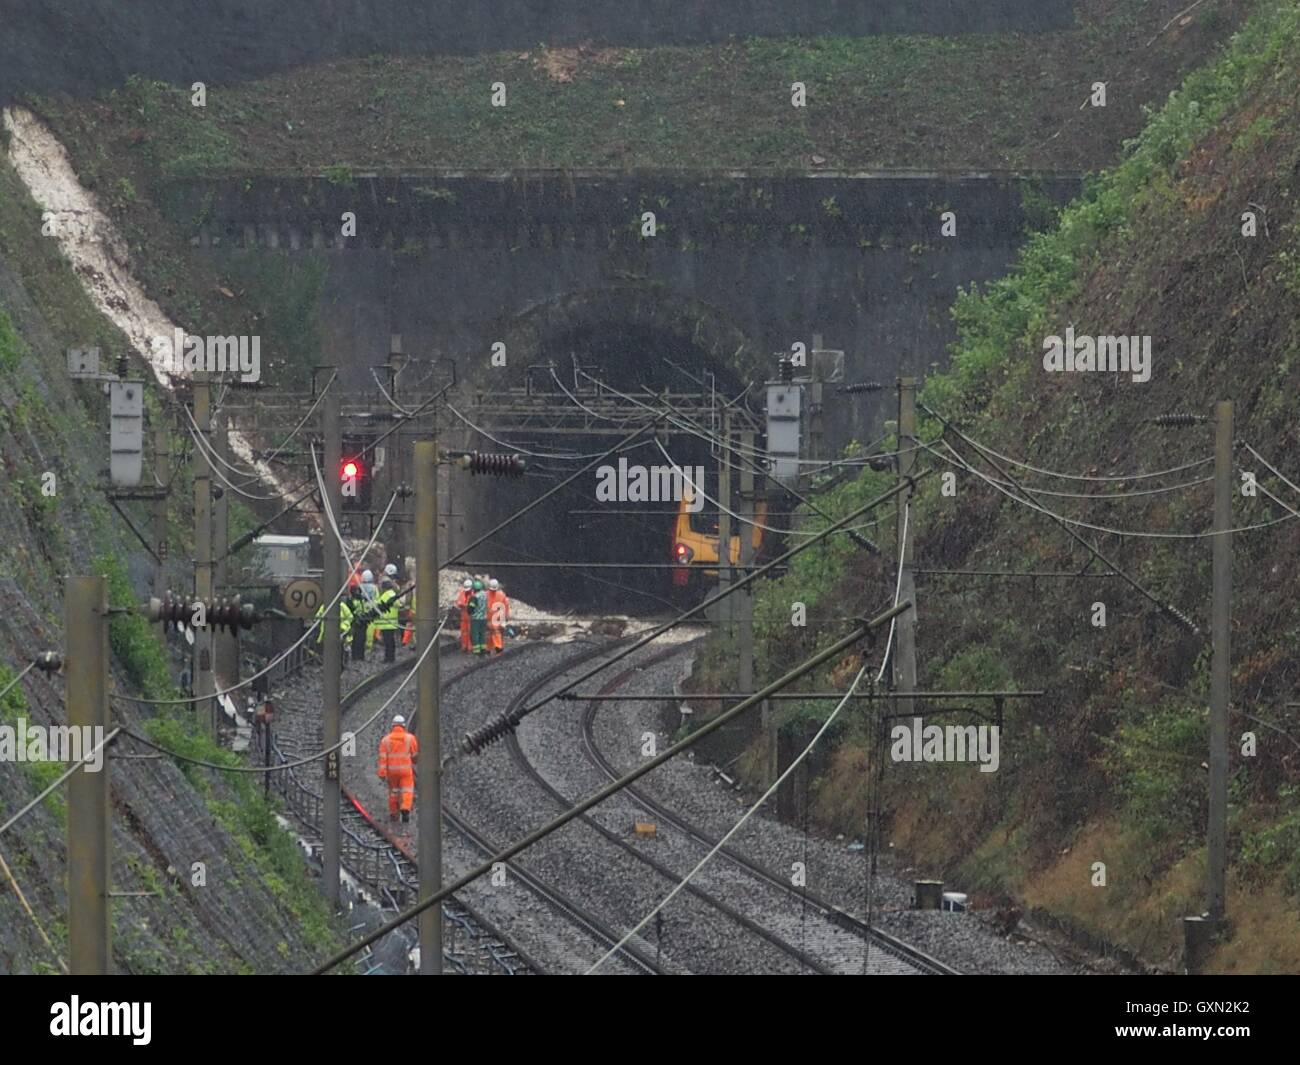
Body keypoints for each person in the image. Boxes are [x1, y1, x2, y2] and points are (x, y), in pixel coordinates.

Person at [377, 714, 419, 824]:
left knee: (394, 792)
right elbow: (415, 755)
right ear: (403, 726)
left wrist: (382, 773)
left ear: (393, 726)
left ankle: (394, 813)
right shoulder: (410, 738)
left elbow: (382, 758)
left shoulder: (385, 740)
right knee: (407, 791)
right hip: (406, 771)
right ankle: (405, 809)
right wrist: (415, 761)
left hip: (392, 772)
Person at [373, 577, 401, 663]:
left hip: (386, 623)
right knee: (391, 641)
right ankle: (392, 658)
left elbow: (378, 606)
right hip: (393, 622)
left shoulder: (385, 596)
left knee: (387, 642)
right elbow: (399, 605)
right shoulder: (394, 595)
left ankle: (388, 658)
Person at [486, 578, 510, 655]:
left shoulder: (486, 594)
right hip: (496, 618)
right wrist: (506, 616)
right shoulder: (502, 595)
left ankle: (496, 647)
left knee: (494, 632)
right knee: (494, 633)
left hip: (492, 617)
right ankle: (492, 648)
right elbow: (506, 605)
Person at [469, 578, 488, 656]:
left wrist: (469, 612)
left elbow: (470, 608)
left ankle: (476, 652)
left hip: (476, 619)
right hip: (484, 618)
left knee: (475, 635)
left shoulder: (474, 597)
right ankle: (483, 650)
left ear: (474, 589)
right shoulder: (485, 595)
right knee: (482, 634)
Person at [455, 578, 473, 653]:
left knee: (470, 631)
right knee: (464, 631)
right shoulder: (462, 593)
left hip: (470, 616)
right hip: (463, 616)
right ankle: (464, 646)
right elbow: (458, 602)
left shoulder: (473, 595)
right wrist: (460, 604)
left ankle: (470, 647)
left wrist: (465, 605)